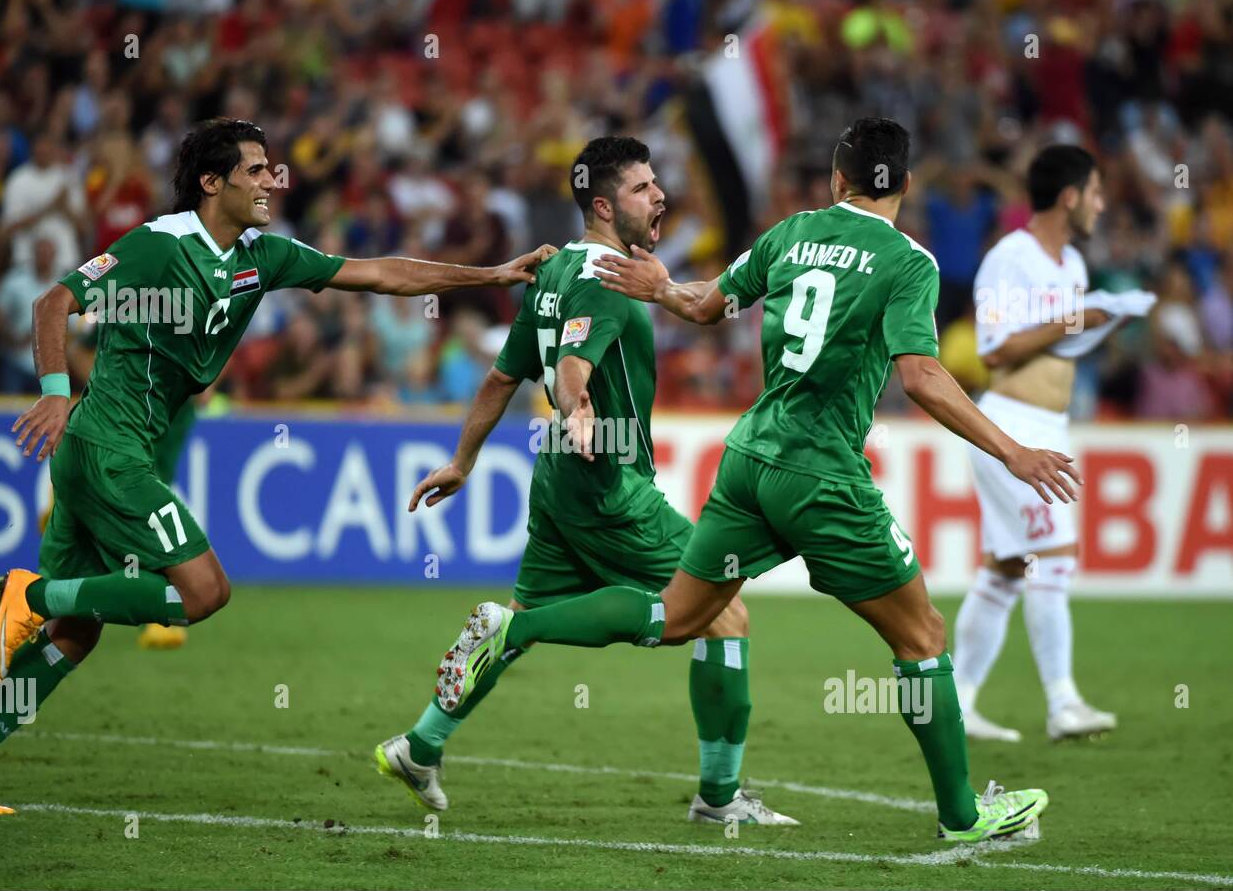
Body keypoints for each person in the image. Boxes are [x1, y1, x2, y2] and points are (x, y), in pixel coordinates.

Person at [428, 118, 1082, 842]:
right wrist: (1013, 452)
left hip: (748, 462)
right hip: (823, 476)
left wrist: (663, 287)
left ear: (838, 180)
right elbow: (923, 377)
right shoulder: (910, 263)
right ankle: (963, 815)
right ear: (905, 185)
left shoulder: (789, 235)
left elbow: (707, 307)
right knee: (922, 637)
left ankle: (518, 626)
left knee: (678, 618)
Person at [0, 118, 554, 815]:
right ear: (212, 181)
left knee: (76, 635)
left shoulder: (265, 256)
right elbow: (56, 303)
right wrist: (53, 395)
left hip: (110, 451)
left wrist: (492, 274)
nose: (271, 180)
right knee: (202, 594)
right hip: (106, 447)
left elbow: (381, 272)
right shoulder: (159, 244)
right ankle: (31, 595)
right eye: (256, 170)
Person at [378, 137, 794, 826]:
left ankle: (421, 746)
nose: (659, 195)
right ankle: (718, 800)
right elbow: (573, 364)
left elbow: (502, 375)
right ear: (603, 205)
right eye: (641, 188)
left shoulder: (559, 268)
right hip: (607, 484)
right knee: (723, 613)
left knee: (539, 616)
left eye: (658, 183)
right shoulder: (601, 275)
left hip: (557, 480)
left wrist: (464, 460)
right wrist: (581, 408)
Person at [955, 145, 1155, 742]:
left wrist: (1104, 317)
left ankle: (957, 701)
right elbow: (994, 351)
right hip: (1011, 424)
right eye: (1094, 192)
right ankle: (1062, 703)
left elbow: (1064, 339)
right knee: (1055, 558)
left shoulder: (1071, 263)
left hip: (1047, 422)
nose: (1100, 202)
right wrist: (1079, 317)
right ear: (1069, 196)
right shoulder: (1009, 258)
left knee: (1008, 568)